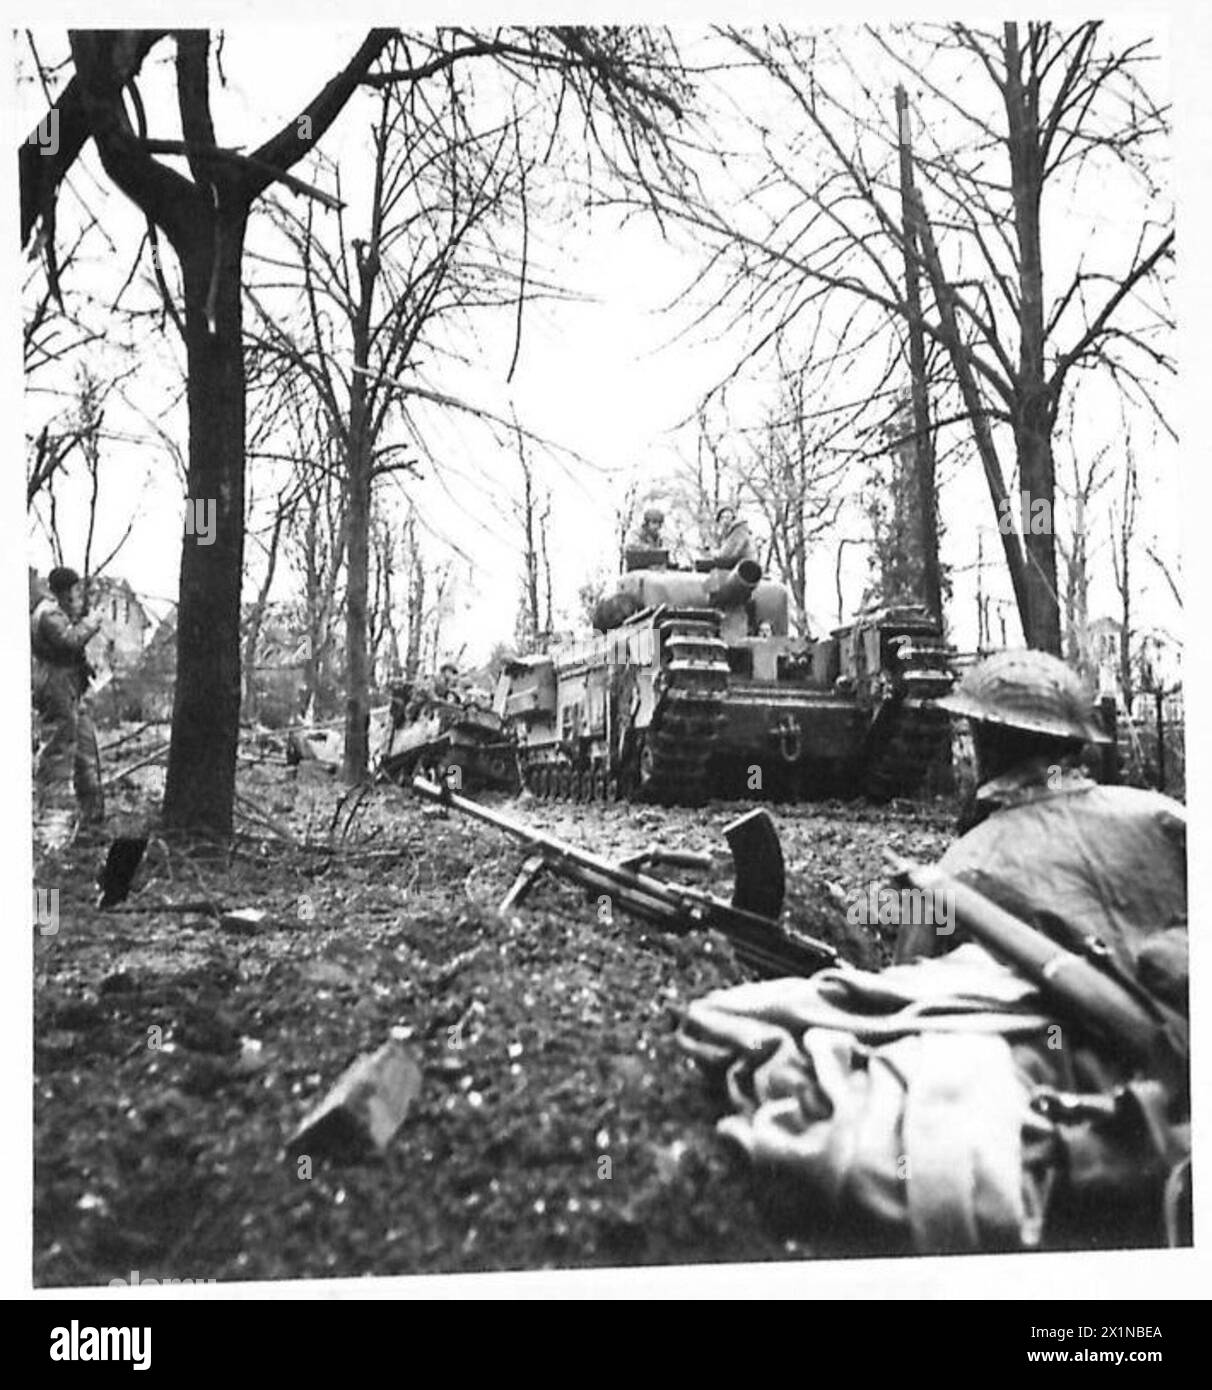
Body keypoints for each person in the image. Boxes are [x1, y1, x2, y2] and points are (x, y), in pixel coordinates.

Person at [894, 649, 1187, 1000]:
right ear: (1075, 742)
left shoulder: (956, 870)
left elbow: (905, 995)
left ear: (985, 741)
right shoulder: (1165, 815)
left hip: (1060, 1047)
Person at [31, 566, 105, 826]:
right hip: (57, 686)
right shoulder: (49, 612)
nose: (76, 595)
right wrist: (92, 622)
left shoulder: (55, 611)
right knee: (58, 750)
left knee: (85, 749)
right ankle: (52, 822)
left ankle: (91, 819)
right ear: (65, 590)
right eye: (74, 589)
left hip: (70, 686)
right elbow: (69, 641)